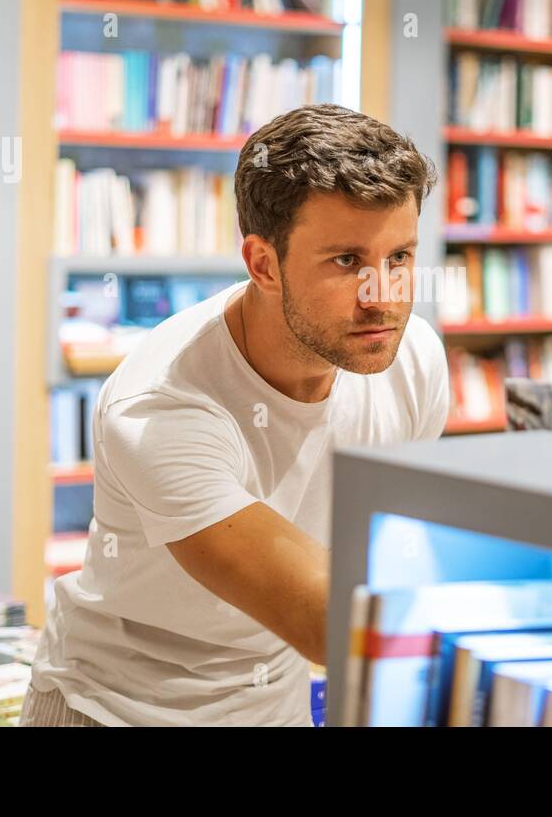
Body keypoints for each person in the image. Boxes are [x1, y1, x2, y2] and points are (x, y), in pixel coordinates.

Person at [22, 104, 449, 726]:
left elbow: (399, 552)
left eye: (400, 258)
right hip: (119, 711)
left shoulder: (412, 361)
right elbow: (322, 617)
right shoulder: (160, 405)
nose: (382, 296)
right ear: (263, 264)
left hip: (272, 705)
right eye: (346, 261)